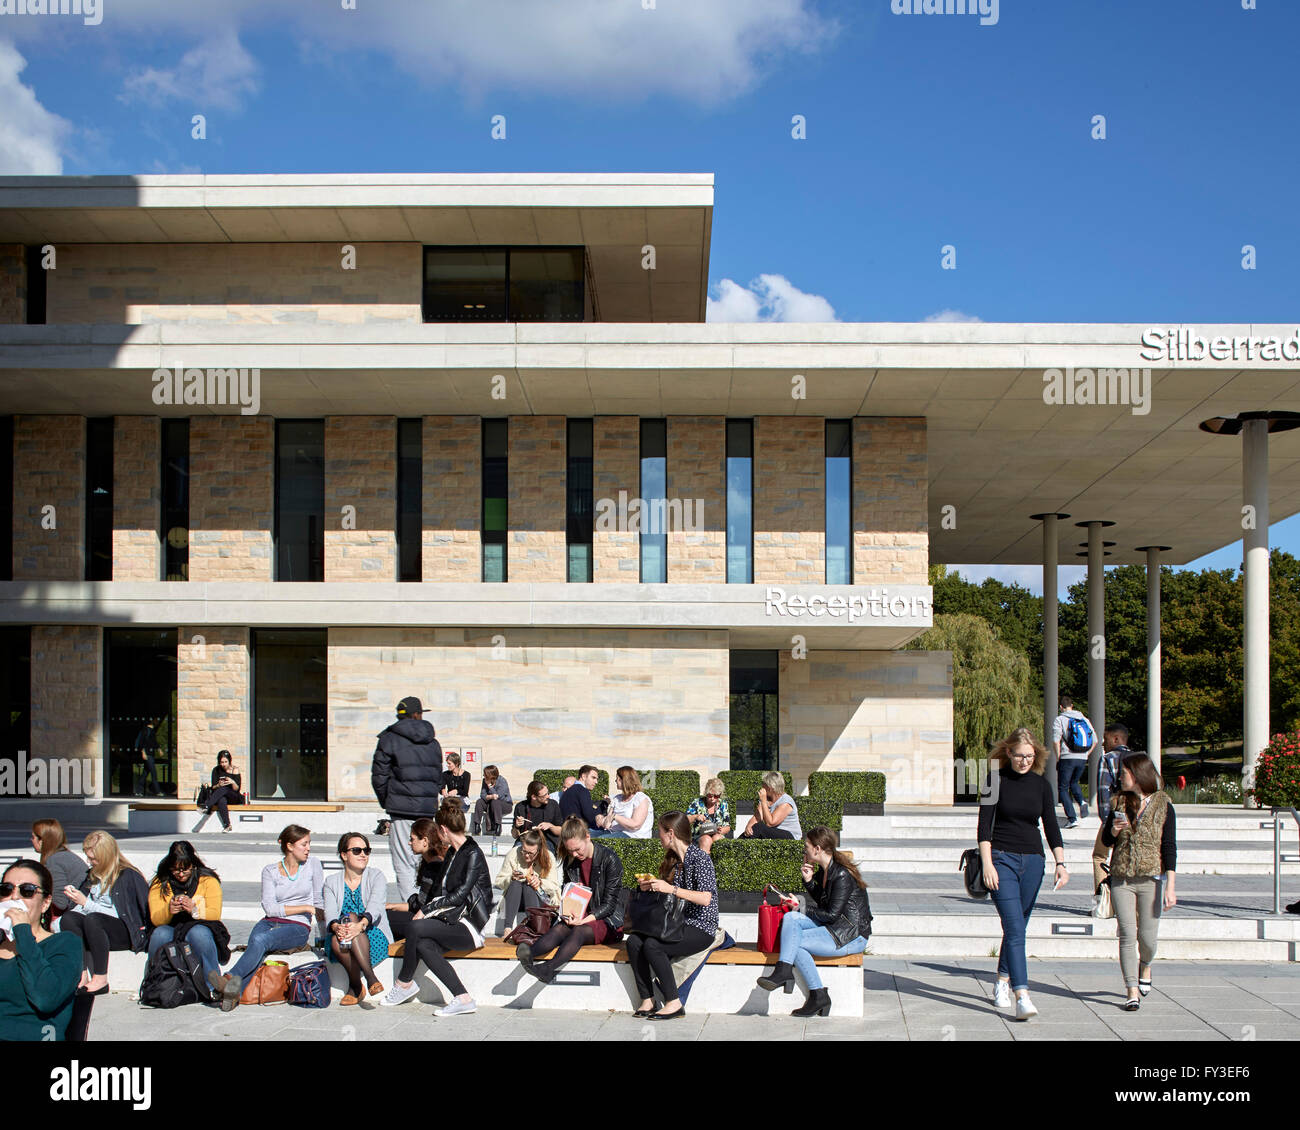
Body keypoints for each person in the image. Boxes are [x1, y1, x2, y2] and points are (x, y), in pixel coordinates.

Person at [978, 728, 1067, 1021]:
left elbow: (1051, 826)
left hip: (1033, 862)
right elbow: (984, 827)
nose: (1024, 761)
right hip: (1002, 860)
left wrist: (1061, 863)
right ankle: (1022, 995)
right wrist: (988, 864)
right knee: (1015, 929)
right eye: (1019, 755)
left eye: (1029, 756)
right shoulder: (994, 780)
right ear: (1008, 753)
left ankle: (1002, 980)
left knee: (1017, 928)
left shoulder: (1041, 786)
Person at [382, 803, 491, 1017]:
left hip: (469, 925)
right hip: (450, 919)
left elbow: (461, 894)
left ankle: (404, 983)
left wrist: (426, 909)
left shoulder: (473, 853)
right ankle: (463, 998)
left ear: (443, 830)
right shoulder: (452, 852)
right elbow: (441, 891)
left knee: (415, 927)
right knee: (422, 944)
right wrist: (425, 907)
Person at [756, 826, 872, 1017]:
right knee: (792, 918)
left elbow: (832, 914)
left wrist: (800, 906)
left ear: (817, 849)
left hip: (851, 934)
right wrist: (809, 882)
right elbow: (825, 904)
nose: (805, 850)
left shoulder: (841, 874)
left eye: (807, 847)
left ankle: (815, 993)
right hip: (836, 927)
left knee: (796, 942)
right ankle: (787, 972)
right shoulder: (826, 870)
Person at [1094, 752, 1176, 1010]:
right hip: (1122, 878)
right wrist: (1113, 831)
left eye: (1124, 772)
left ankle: (1146, 966)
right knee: (1127, 934)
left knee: (1148, 938)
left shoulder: (1164, 805)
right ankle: (1131, 990)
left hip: (1151, 878)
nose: (1120, 776)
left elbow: (1170, 846)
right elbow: (1106, 843)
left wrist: (1171, 885)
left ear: (1138, 774)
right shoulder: (1119, 802)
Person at [213, 824, 324, 1011]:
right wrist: (305, 906)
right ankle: (234, 994)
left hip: (298, 926)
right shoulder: (270, 871)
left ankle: (230, 978)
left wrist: (322, 935)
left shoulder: (313, 864)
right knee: (259, 943)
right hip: (270, 921)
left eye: (309, 844)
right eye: (304, 844)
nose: (308, 848)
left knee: (260, 940)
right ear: (289, 846)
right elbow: (270, 908)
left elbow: (319, 901)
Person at [625, 811, 718, 1020]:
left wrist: (670, 889)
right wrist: (652, 886)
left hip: (701, 927)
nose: (658, 836)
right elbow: (669, 896)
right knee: (633, 941)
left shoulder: (700, 859)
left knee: (652, 945)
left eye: (659, 832)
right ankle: (647, 999)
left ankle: (673, 1002)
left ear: (671, 833)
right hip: (678, 922)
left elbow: (705, 899)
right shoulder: (675, 861)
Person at [517, 816, 624, 983]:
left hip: (607, 920)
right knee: (560, 928)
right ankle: (528, 956)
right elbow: (567, 891)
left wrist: (583, 920)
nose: (574, 854)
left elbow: (609, 905)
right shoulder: (571, 859)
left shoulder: (609, 859)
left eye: (578, 849)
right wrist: (568, 912)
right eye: (570, 850)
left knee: (578, 930)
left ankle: (548, 968)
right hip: (580, 915)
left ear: (587, 837)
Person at [59, 830, 150, 995]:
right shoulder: (92, 875)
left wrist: (86, 903)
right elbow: (82, 909)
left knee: (93, 919)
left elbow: (122, 914)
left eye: (94, 858)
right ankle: (81, 975)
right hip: (95, 929)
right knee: (69, 918)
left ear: (106, 856)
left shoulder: (128, 875)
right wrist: (77, 901)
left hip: (123, 931)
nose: (90, 862)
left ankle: (100, 978)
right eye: (88, 857)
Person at [372, 696, 443, 902]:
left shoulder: (388, 739)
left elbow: (379, 776)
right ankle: (428, 903)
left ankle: (412, 907)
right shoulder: (433, 742)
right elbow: (438, 776)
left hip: (401, 810)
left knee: (404, 863)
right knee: (428, 857)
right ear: (417, 714)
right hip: (427, 810)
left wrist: (389, 801)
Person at [0, 859, 82, 1041]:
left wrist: (23, 932)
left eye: (26, 891)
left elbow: (46, 998)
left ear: (45, 903)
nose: (14, 897)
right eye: (6, 889)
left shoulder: (64, 943)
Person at [146, 840, 230, 994]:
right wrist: (169, 910)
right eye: (175, 870)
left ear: (193, 865)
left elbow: (214, 913)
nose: (180, 874)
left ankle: (214, 986)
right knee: (160, 934)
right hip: (172, 926)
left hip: (198, 925)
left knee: (198, 933)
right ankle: (153, 982)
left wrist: (194, 910)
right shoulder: (160, 882)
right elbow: (156, 919)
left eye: (185, 869)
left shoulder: (208, 881)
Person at [323, 832, 390, 1005]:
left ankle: (358, 985)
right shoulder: (331, 882)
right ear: (344, 855)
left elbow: (375, 907)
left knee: (351, 918)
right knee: (341, 931)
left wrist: (360, 925)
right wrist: (336, 927)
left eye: (366, 850)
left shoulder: (376, 876)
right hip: (342, 935)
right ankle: (366, 980)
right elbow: (330, 913)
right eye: (357, 850)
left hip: (372, 933)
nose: (363, 854)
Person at [385, 817, 447, 944]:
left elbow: (424, 906)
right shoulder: (431, 862)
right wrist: (393, 906)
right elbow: (419, 904)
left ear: (424, 840)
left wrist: (392, 907)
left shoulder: (435, 866)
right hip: (426, 917)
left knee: (382, 917)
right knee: (387, 912)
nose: (409, 843)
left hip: (430, 921)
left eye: (412, 839)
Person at [494, 829, 561, 936]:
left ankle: (534, 927)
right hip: (515, 899)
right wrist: (511, 878)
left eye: (530, 853)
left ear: (539, 851)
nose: (526, 855)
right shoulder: (514, 853)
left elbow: (554, 886)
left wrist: (540, 882)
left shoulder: (548, 857)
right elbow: (499, 881)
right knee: (516, 883)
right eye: (524, 851)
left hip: (539, 899)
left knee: (528, 886)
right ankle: (507, 928)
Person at [30, 819, 87, 925]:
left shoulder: (54, 861)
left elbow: (60, 903)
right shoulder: (63, 855)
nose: (31, 840)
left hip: (75, 917)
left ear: (42, 841)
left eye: (33, 837)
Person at [1052, 694, 1097, 828]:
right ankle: (1082, 802)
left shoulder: (1060, 719)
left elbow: (1056, 740)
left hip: (1067, 757)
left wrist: (1058, 756)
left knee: (1063, 788)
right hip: (1082, 758)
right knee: (1074, 782)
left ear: (1061, 707)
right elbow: (1095, 740)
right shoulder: (1084, 719)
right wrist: (1086, 754)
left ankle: (1072, 818)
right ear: (1072, 706)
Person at [595, 766, 654, 839]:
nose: (615, 781)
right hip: (613, 832)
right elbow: (607, 824)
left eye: (617, 779)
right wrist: (600, 819)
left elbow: (635, 825)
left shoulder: (641, 798)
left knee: (601, 839)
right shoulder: (617, 798)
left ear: (624, 780)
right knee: (587, 833)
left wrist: (615, 816)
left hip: (633, 835)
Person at [741, 771, 801, 840]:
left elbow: (770, 823)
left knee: (760, 828)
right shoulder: (767, 799)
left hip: (790, 836)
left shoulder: (786, 801)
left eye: (764, 785)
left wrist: (763, 801)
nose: (762, 787)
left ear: (770, 788)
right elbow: (757, 817)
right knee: (753, 830)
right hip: (773, 833)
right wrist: (749, 827)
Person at [196, 749, 244, 833]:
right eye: (222, 762)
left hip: (233, 796)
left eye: (226, 762)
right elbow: (213, 787)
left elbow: (237, 789)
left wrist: (232, 782)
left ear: (229, 761)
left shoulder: (235, 770)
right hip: (220, 795)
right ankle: (227, 825)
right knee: (222, 800)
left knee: (224, 789)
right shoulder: (216, 770)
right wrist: (218, 785)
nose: (224, 764)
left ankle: (207, 805)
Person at [511, 779, 564, 854]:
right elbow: (515, 835)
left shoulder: (553, 805)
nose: (548, 796)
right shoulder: (521, 807)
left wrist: (550, 826)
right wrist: (516, 826)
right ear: (534, 797)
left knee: (547, 855)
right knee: (514, 853)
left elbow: (561, 831)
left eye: (547, 793)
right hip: (525, 840)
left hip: (547, 841)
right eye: (544, 795)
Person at [1097, 724, 1133, 823]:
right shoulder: (1138, 757)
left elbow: (1104, 789)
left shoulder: (1108, 759)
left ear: (1116, 739)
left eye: (1105, 739)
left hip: (1118, 815)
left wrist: (1105, 820)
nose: (1103, 744)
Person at [685, 778, 731, 855]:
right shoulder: (697, 803)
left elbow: (727, 827)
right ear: (706, 793)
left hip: (717, 835)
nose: (712, 799)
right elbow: (684, 819)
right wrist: (696, 816)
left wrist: (721, 830)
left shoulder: (723, 804)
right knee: (706, 839)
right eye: (710, 795)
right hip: (699, 836)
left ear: (720, 795)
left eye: (716, 796)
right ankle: (704, 865)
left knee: (717, 838)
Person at [558, 765, 602, 831]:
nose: (596, 782)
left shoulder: (569, 791)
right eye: (593, 778)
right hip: (578, 833)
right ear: (583, 776)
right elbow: (590, 817)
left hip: (567, 831)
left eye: (597, 779)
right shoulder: (583, 790)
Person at [472, 765, 512, 837]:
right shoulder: (485, 781)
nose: (484, 776)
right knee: (479, 802)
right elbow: (482, 795)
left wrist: (490, 787)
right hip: (490, 803)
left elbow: (500, 796)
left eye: (485, 774)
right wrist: (491, 796)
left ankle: (498, 826)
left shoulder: (502, 781)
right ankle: (477, 825)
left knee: (495, 802)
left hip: (505, 805)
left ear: (491, 775)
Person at [134, 718, 162, 797]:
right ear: (152, 721)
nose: (157, 722)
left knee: (145, 774)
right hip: (148, 755)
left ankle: (138, 791)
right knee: (154, 773)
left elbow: (154, 742)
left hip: (151, 754)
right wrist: (143, 752)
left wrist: (159, 749)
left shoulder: (152, 730)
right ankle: (157, 791)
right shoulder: (146, 730)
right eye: (156, 721)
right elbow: (142, 742)